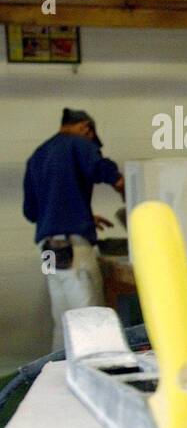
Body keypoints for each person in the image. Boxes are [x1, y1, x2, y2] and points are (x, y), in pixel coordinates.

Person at [22, 108, 125, 351]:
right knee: (90, 315)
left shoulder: (37, 156)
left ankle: (59, 371)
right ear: (85, 128)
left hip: (47, 249)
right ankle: (96, 370)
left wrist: (80, 215)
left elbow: (31, 212)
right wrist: (125, 188)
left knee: (61, 316)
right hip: (73, 248)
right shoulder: (79, 144)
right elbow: (103, 170)